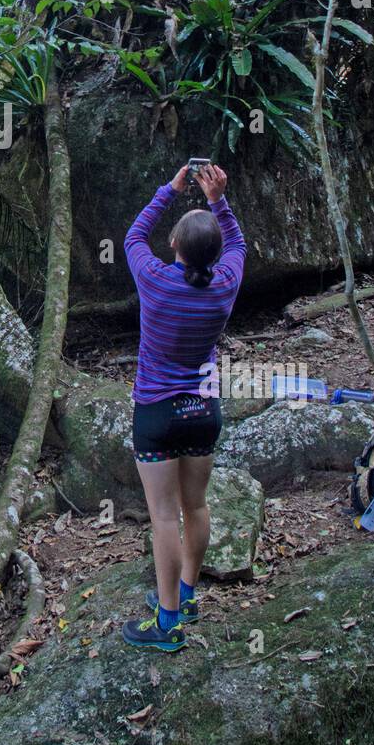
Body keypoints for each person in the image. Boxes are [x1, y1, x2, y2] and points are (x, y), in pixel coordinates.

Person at [120, 162, 246, 652]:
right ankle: (188, 595)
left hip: (155, 414)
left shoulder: (153, 278)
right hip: (203, 411)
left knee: (164, 518)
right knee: (195, 505)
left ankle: (168, 623)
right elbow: (236, 244)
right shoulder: (225, 285)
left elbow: (134, 234)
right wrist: (218, 200)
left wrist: (170, 189)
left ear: (173, 246)